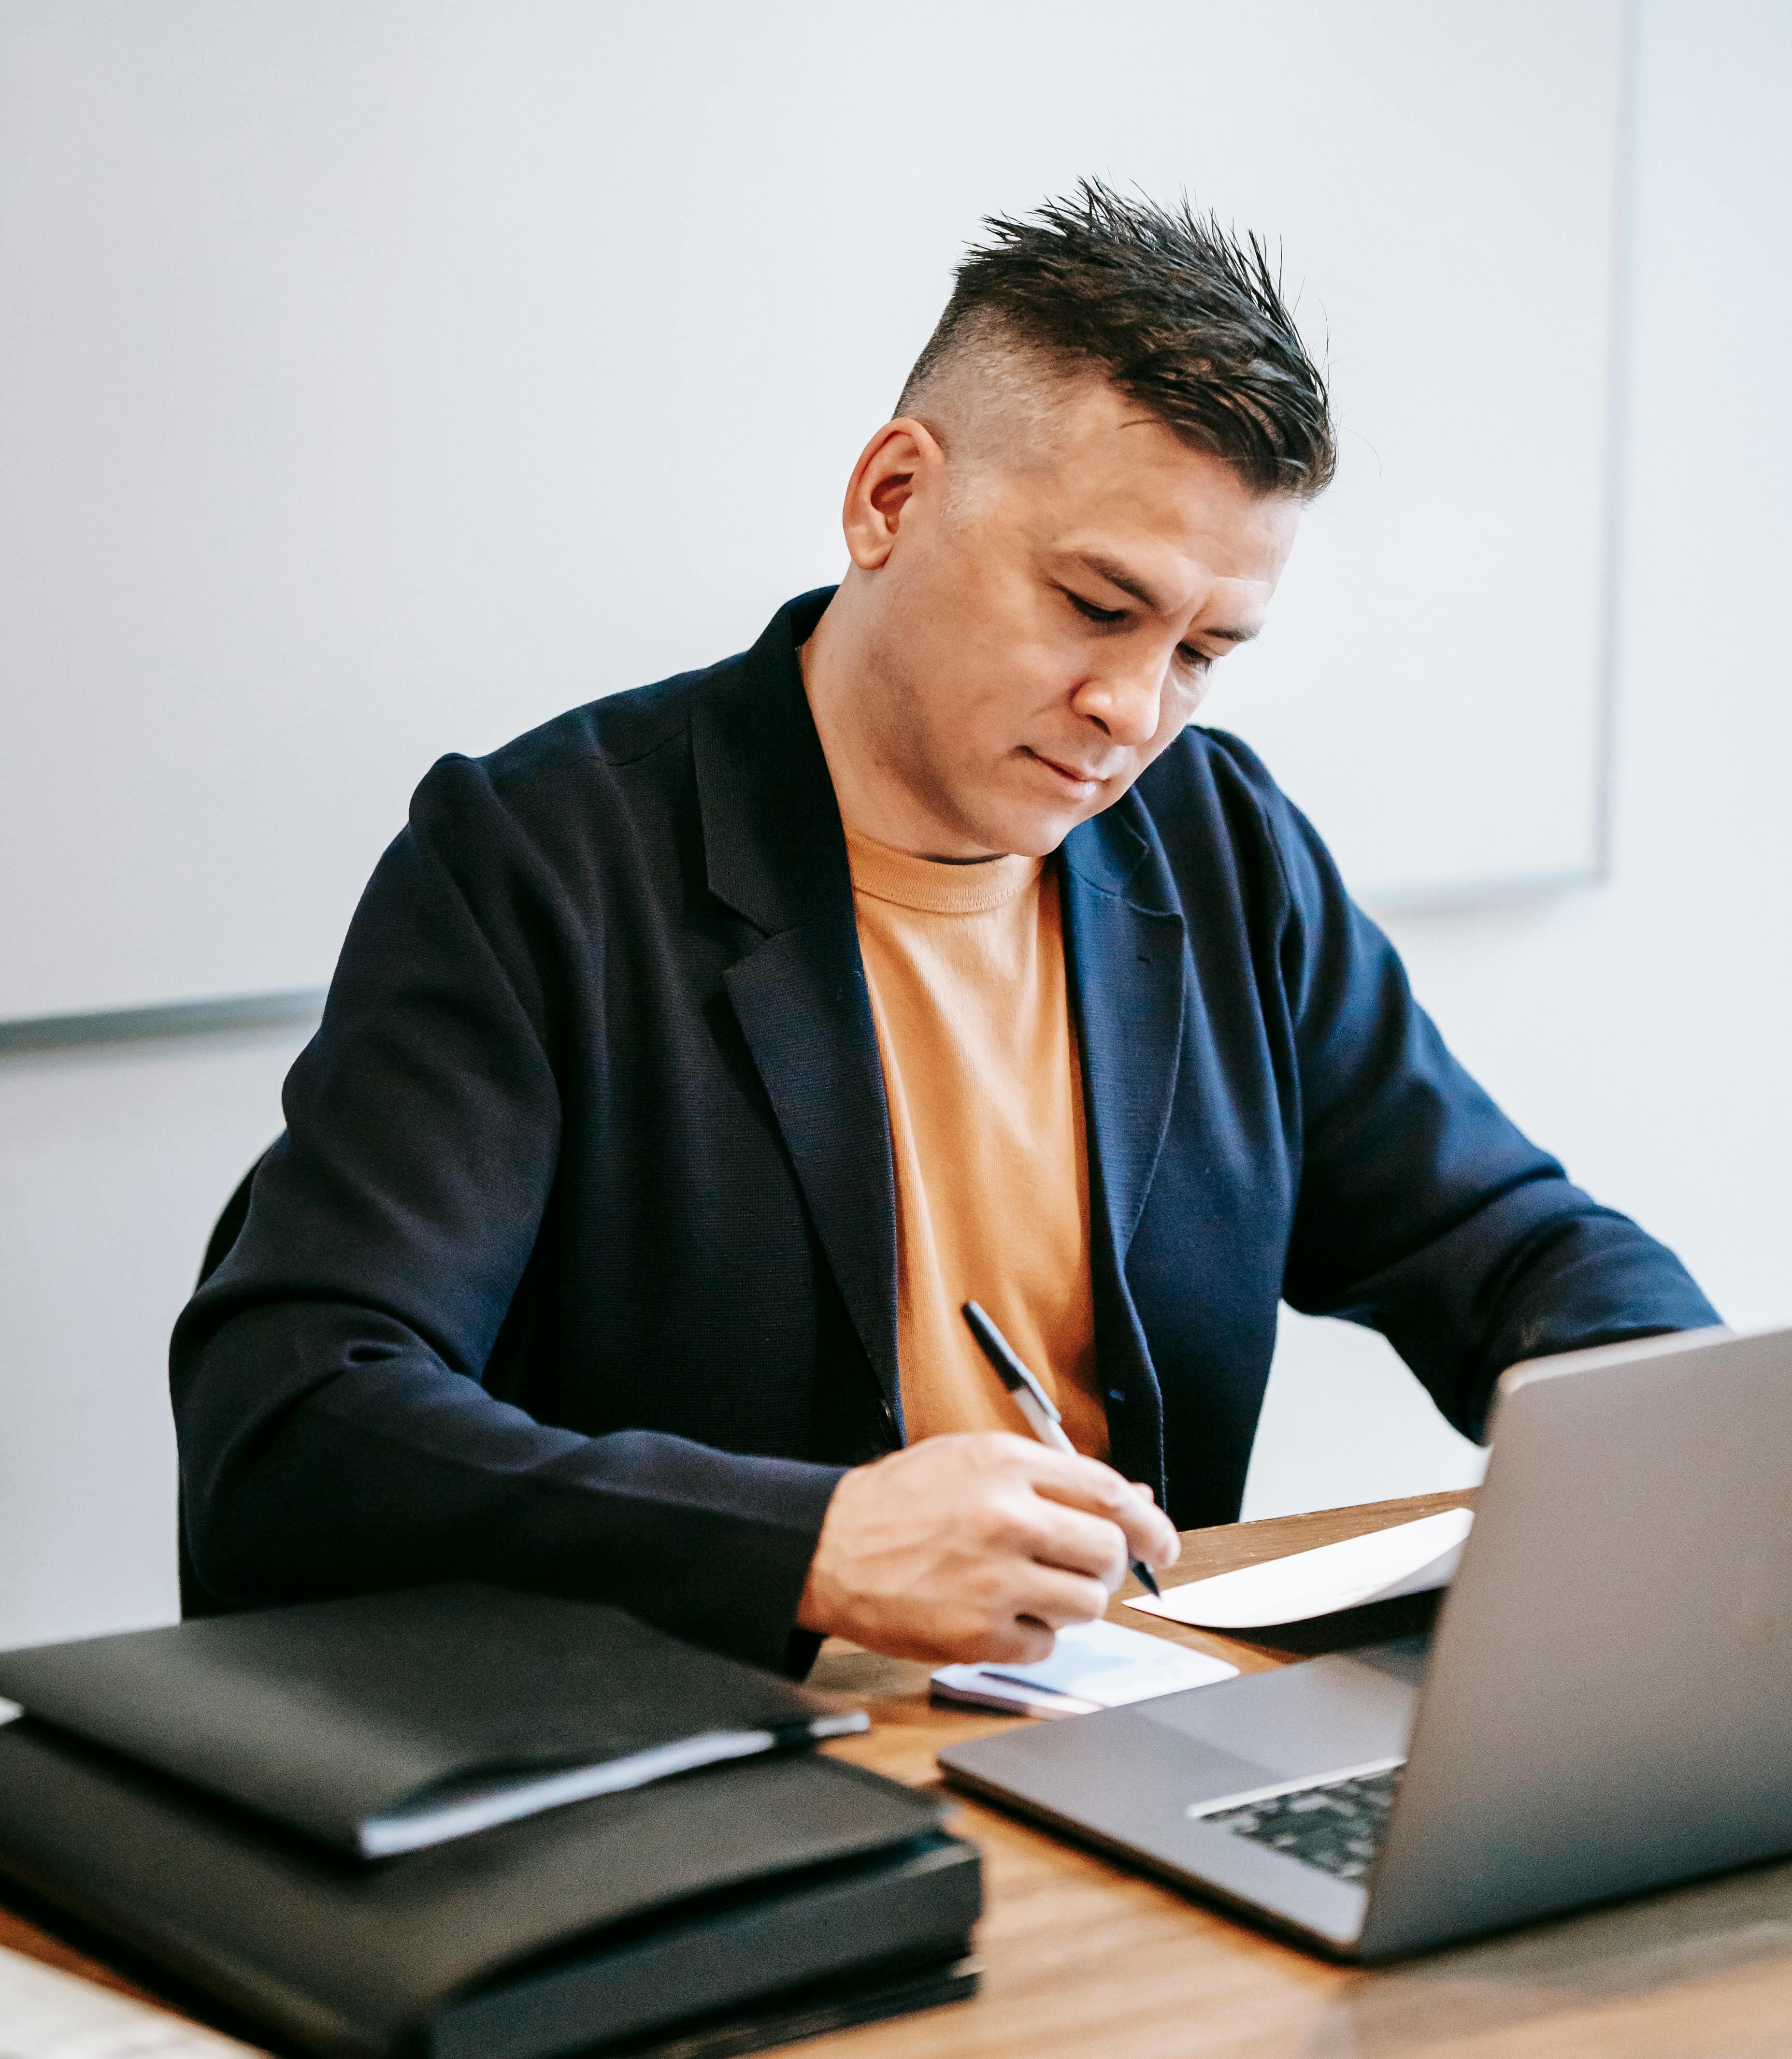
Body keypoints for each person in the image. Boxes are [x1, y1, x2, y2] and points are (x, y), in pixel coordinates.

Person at [172, 184, 1716, 1673]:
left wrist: (1699, 1455)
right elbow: (291, 1427)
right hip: (695, 1784)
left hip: (1114, 1741)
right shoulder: (544, 860)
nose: (1133, 711)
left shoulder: (1218, 841)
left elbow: (1502, 1241)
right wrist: (814, 1547)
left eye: (1204, 653)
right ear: (890, 498)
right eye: (1098, 607)